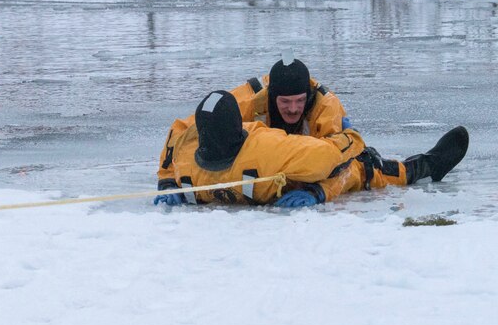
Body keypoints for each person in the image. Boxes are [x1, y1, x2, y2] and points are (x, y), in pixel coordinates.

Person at [154, 90, 467, 208]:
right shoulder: (186, 152)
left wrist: (320, 192)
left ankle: (426, 164)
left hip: (331, 166)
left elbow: (338, 158)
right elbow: (177, 131)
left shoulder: (276, 151)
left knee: (366, 169)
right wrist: (167, 182)